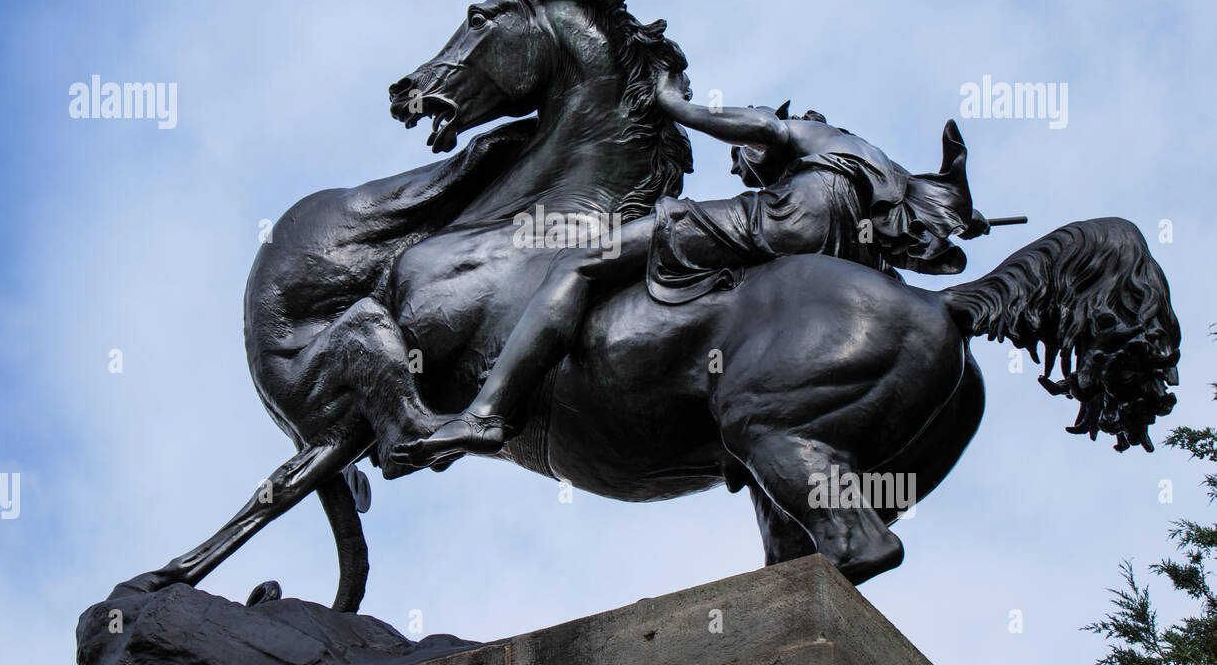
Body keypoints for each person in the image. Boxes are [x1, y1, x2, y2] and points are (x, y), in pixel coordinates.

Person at [390, 73, 990, 467]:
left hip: (779, 223)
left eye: (743, 165)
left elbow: (763, 128)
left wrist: (680, 105)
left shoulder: (820, 137)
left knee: (581, 262)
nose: (744, 169)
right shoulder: (887, 177)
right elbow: (923, 249)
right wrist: (961, 217)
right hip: (818, 252)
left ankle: (488, 414)